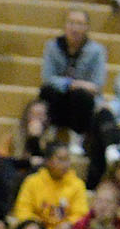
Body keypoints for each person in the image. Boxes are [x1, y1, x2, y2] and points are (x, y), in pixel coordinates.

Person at [38, 8, 108, 148]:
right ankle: (50, 131)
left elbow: (97, 84)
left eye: (80, 24)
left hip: (82, 102)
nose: (75, 28)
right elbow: (47, 78)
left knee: (82, 95)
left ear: (87, 27)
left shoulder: (97, 51)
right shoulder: (52, 46)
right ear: (64, 25)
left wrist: (78, 87)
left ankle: (78, 138)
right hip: (61, 97)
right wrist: (72, 83)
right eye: (71, 23)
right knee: (47, 91)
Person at [12, 143, 90, 229]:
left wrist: (68, 224)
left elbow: (81, 214)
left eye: (67, 159)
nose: (65, 164)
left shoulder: (77, 184)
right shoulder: (32, 181)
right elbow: (22, 210)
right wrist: (38, 226)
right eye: (61, 159)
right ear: (48, 161)